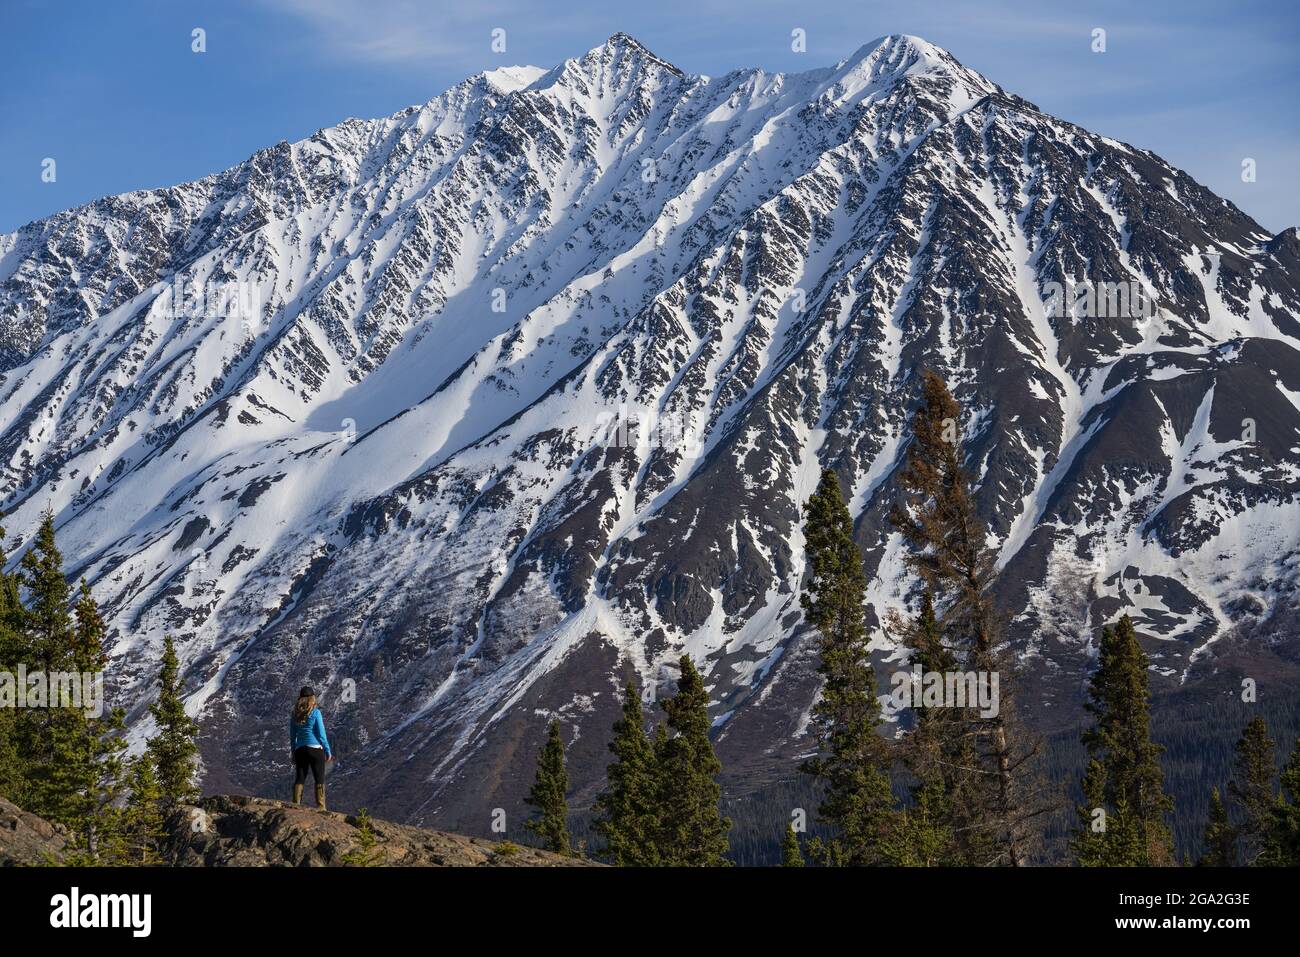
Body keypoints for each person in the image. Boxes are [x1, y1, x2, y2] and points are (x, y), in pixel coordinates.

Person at [290, 686, 332, 810]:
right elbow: (321, 734)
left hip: (300, 749)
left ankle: (295, 804)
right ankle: (321, 806)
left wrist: (293, 752)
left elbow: (293, 737)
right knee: (319, 777)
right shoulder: (315, 712)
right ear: (312, 698)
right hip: (315, 748)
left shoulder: (295, 714)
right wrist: (327, 750)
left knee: (300, 777)